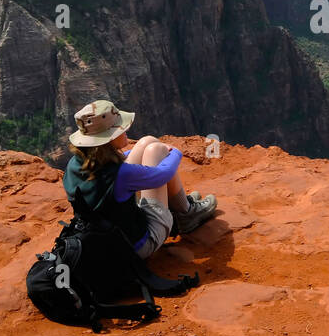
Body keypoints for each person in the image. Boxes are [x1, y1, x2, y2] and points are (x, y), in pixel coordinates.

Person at [63, 100, 217, 260]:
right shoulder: (121, 174)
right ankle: (186, 214)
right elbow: (162, 175)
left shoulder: (74, 165)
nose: (126, 130)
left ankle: (184, 207)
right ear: (108, 138)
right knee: (156, 149)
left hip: (106, 238)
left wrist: (144, 151)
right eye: (120, 129)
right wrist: (174, 151)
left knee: (147, 142)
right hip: (137, 245)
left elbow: (118, 165)